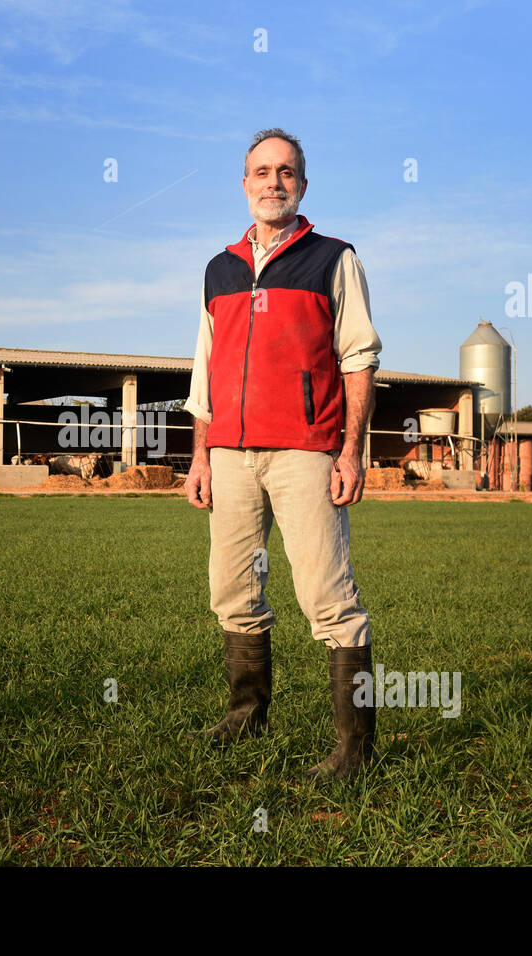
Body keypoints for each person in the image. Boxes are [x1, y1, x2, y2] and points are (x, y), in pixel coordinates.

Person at [182, 128, 383, 781]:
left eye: (286, 172)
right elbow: (204, 375)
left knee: (328, 595)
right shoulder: (219, 268)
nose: (273, 182)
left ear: (302, 184)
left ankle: (355, 749)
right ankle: (248, 715)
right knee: (231, 592)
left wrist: (351, 451)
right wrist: (201, 455)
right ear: (245, 184)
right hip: (231, 454)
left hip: (308, 451)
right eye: (261, 172)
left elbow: (358, 360)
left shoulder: (333, 258)